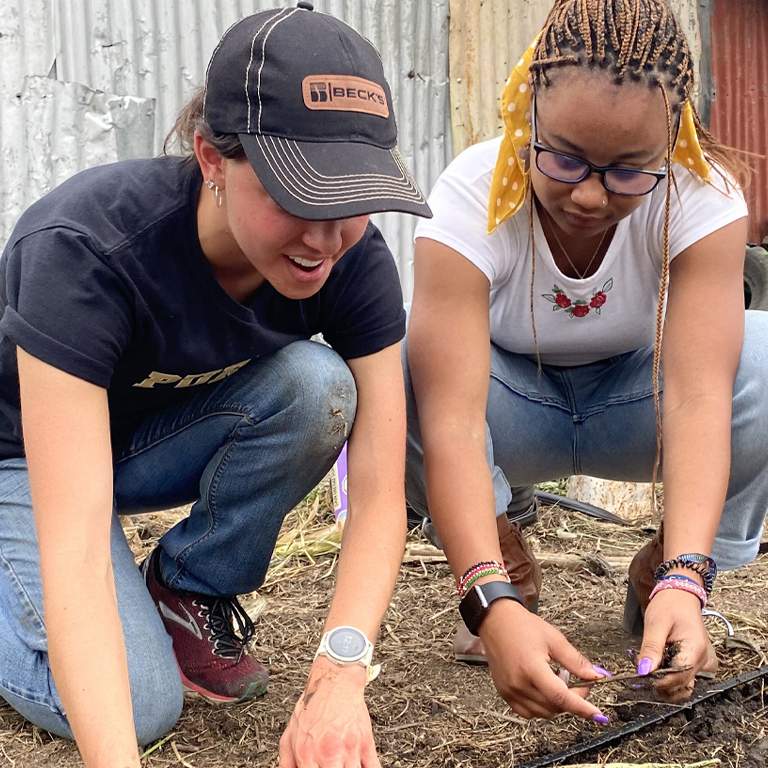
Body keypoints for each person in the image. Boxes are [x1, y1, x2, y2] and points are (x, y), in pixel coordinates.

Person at [0, 4, 431, 767]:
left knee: (316, 383)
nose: (326, 238)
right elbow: (73, 545)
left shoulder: (349, 259)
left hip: (138, 441)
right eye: (299, 197)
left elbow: (377, 494)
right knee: (138, 708)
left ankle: (185, 589)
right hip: (26, 460)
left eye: (351, 199)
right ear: (210, 159)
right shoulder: (84, 250)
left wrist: (340, 672)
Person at [405, 0, 767, 725]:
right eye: (563, 157)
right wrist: (486, 598)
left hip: (639, 404)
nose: (590, 194)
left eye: (631, 172)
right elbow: (449, 419)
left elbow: (698, 398)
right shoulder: (471, 196)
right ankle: (506, 571)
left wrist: (687, 578)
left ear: (672, 144)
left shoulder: (701, 198)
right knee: (398, 366)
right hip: (510, 409)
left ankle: (664, 575)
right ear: (527, 114)